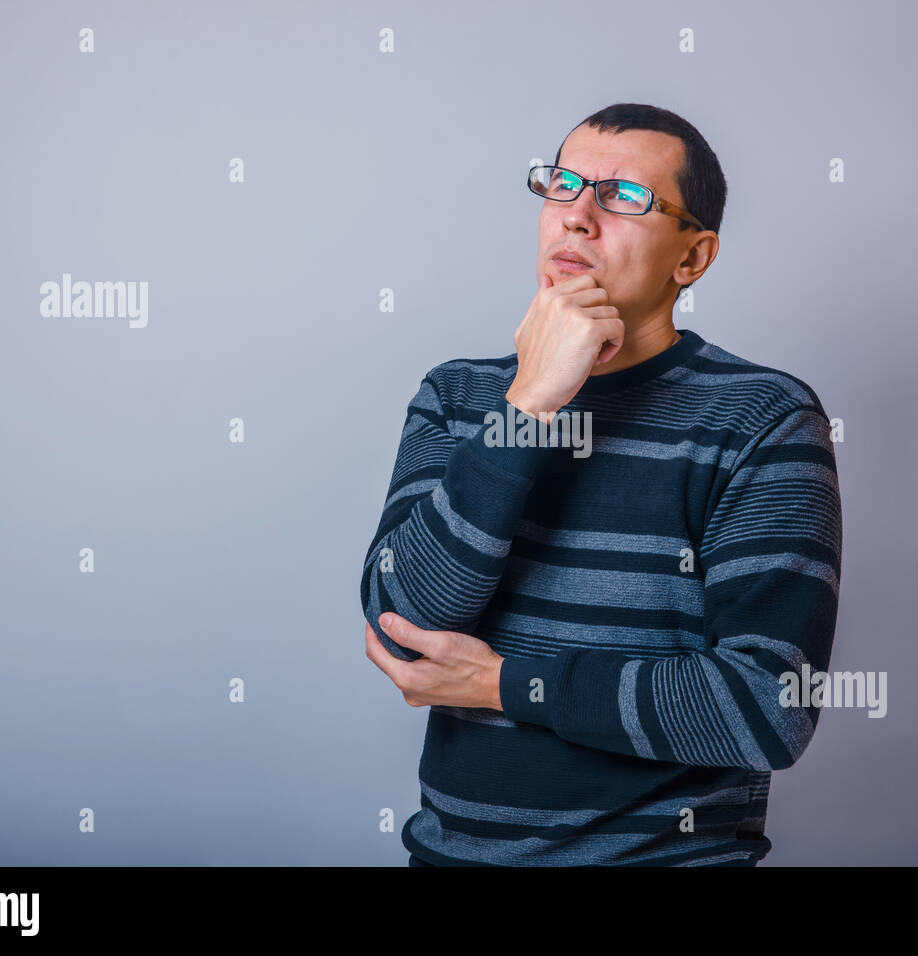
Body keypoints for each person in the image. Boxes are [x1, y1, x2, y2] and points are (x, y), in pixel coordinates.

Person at [359, 102, 843, 866]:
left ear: (692, 258)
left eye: (622, 197)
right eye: (564, 185)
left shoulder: (761, 418)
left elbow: (766, 709)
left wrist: (507, 685)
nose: (578, 217)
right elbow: (404, 625)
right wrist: (529, 405)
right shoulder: (460, 397)